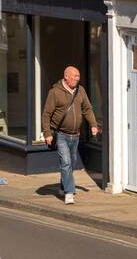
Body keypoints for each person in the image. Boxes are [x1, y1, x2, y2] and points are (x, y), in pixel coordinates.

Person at [42, 66, 99, 204]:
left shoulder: (81, 91)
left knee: (71, 163)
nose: (77, 78)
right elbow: (46, 115)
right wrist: (47, 133)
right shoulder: (55, 92)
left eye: (78, 76)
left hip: (75, 135)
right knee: (66, 162)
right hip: (61, 134)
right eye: (75, 76)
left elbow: (87, 109)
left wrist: (93, 124)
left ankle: (63, 185)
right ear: (66, 76)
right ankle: (69, 192)